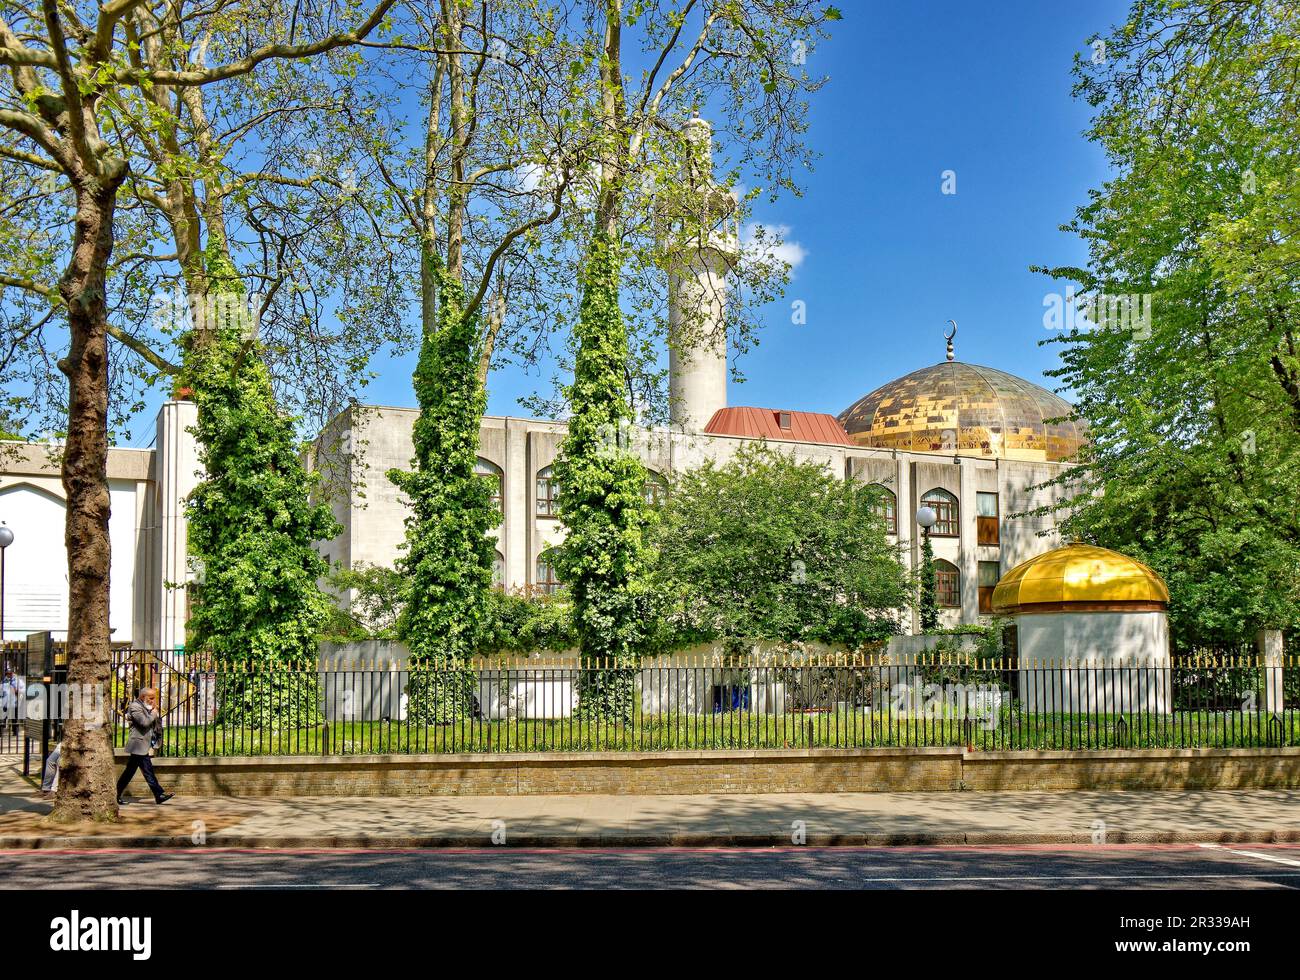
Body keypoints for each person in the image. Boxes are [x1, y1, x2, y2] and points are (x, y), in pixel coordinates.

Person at [116, 687, 173, 805]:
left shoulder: (145, 707)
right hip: (138, 744)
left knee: (133, 772)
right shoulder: (134, 707)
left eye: (154, 698)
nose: (153, 700)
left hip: (142, 745)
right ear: (143, 697)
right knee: (145, 771)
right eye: (151, 698)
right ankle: (159, 794)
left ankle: (158, 795)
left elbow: (154, 723)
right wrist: (153, 713)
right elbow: (144, 722)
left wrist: (153, 712)